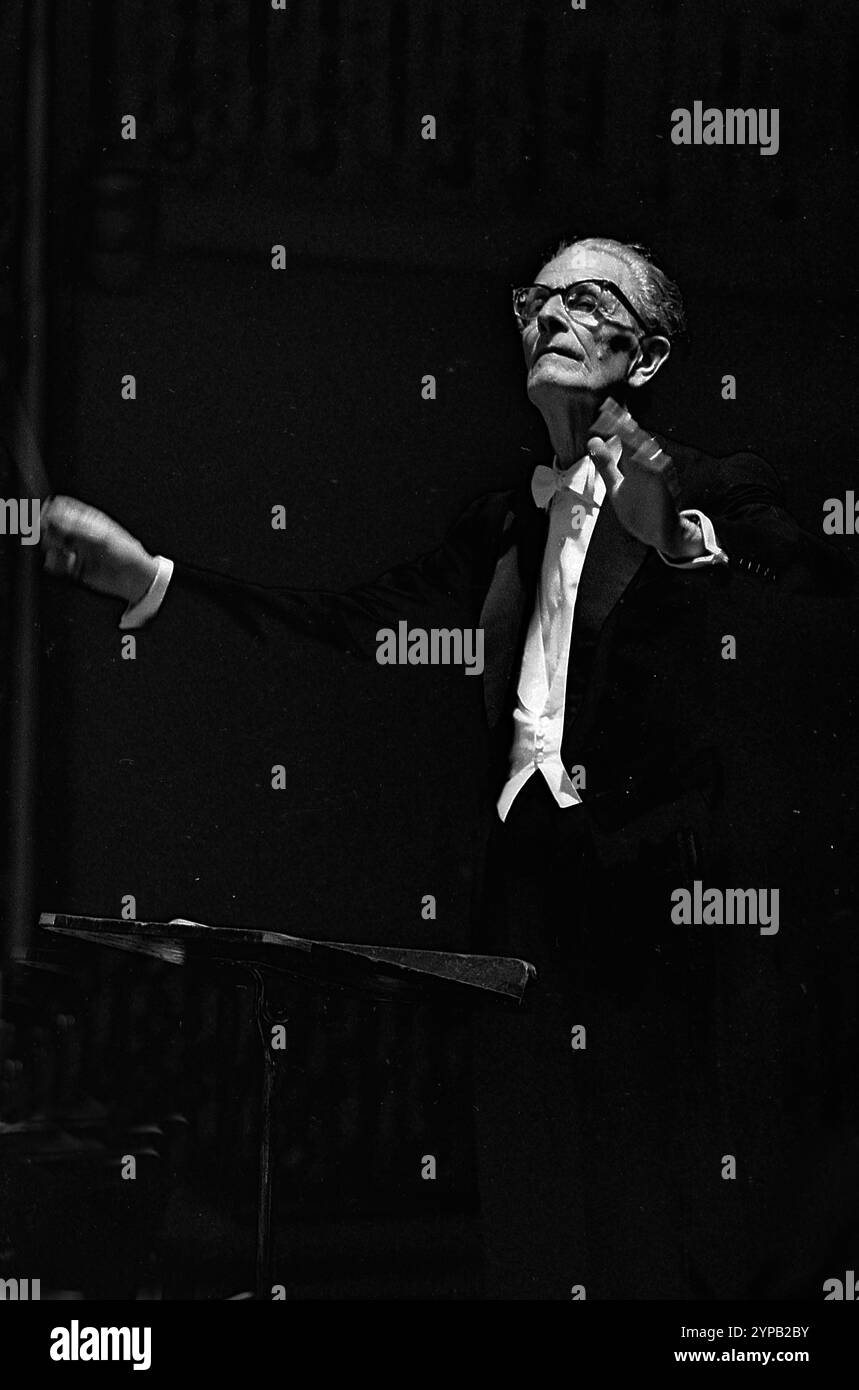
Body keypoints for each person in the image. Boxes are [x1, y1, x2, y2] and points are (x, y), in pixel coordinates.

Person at [39, 236, 854, 1299]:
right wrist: (151, 577)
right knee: (529, 1224)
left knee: (666, 1239)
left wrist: (694, 551)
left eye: (586, 301)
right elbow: (349, 627)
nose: (548, 317)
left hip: (668, 914)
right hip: (519, 909)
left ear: (645, 357)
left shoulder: (716, 484)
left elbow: (809, 591)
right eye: (535, 300)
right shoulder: (502, 515)